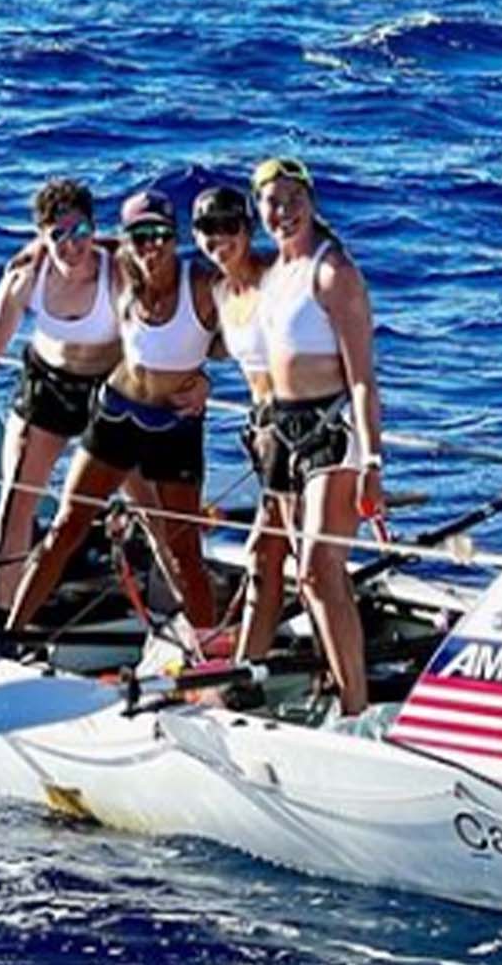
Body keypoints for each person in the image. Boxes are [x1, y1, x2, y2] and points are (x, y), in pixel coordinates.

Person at [5, 189, 221, 632]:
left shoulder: (201, 284)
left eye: (161, 235)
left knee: (183, 550)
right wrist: (35, 249)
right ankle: (8, 635)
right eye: (140, 236)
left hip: (176, 426)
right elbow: (86, 242)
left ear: (176, 236)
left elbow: (244, 331)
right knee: (66, 528)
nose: (151, 247)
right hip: (117, 414)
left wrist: (205, 380)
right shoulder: (121, 267)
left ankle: (209, 652)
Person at [252, 157, 383, 715]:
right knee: (301, 577)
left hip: (331, 432)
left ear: (311, 201)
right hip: (282, 432)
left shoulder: (333, 274)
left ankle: (357, 709)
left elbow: (362, 378)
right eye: (272, 202)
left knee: (318, 569)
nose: (284, 212)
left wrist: (372, 461)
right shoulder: (273, 274)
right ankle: (332, 682)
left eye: (294, 200)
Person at [0, 178, 119, 619]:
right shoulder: (26, 279)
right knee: (16, 506)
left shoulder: (118, 271)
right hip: (47, 390)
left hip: (107, 390)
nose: (72, 246)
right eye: (58, 235)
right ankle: (2, 622)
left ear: (94, 229)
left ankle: (175, 614)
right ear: (42, 237)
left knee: (149, 501)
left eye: (80, 232)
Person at [190, 184, 289, 663]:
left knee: (290, 556)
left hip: (304, 431)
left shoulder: (278, 277)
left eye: (230, 226)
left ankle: (340, 680)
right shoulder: (218, 289)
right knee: (268, 554)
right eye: (207, 228)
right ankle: (249, 666)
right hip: (265, 435)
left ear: (249, 229)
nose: (219, 237)